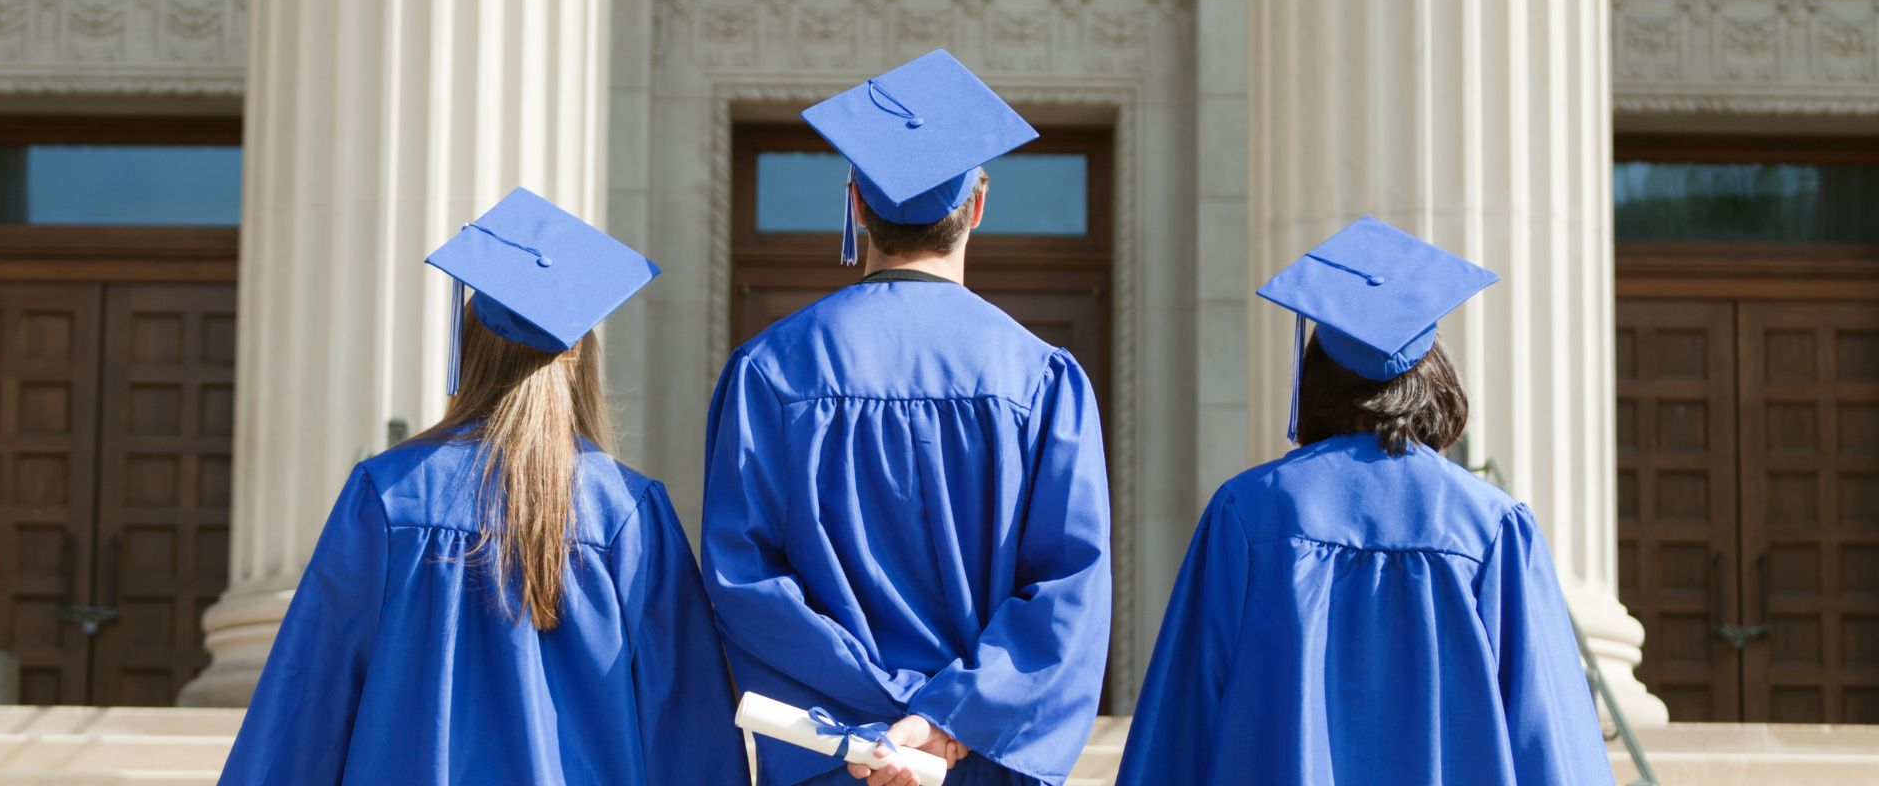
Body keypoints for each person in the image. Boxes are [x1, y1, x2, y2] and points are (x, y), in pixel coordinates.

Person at [218, 187, 748, 785]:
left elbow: (312, 688)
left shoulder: (389, 493)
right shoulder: (626, 509)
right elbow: (682, 713)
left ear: (468, 353)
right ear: (579, 359)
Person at [701, 49, 1112, 786]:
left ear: (855, 202)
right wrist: (946, 722)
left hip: (838, 760)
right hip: (977, 761)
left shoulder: (771, 370)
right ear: (978, 207)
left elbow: (744, 579)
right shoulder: (1041, 378)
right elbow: (1069, 589)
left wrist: (872, 728)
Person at [1116, 216, 1615, 785]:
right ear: (1435, 379)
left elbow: (1185, 717)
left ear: (1316, 378)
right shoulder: (1490, 526)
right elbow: (1546, 735)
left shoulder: (1252, 512)